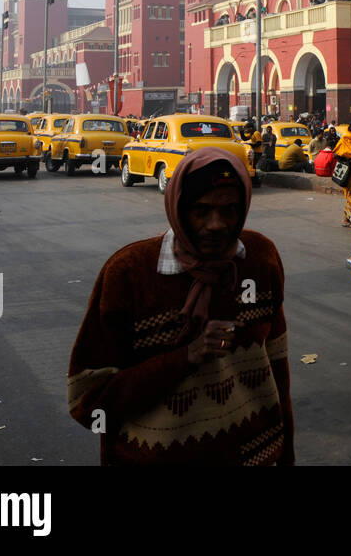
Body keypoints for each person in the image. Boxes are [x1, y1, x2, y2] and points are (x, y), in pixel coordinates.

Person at [67, 148, 294, 465]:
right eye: (201, 211)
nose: (216, 224)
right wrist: (185, 358)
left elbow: (278, 372)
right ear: (177, 209)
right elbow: (87, 401)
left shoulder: (260, 258)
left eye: (229, 210)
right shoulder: (129, 273)